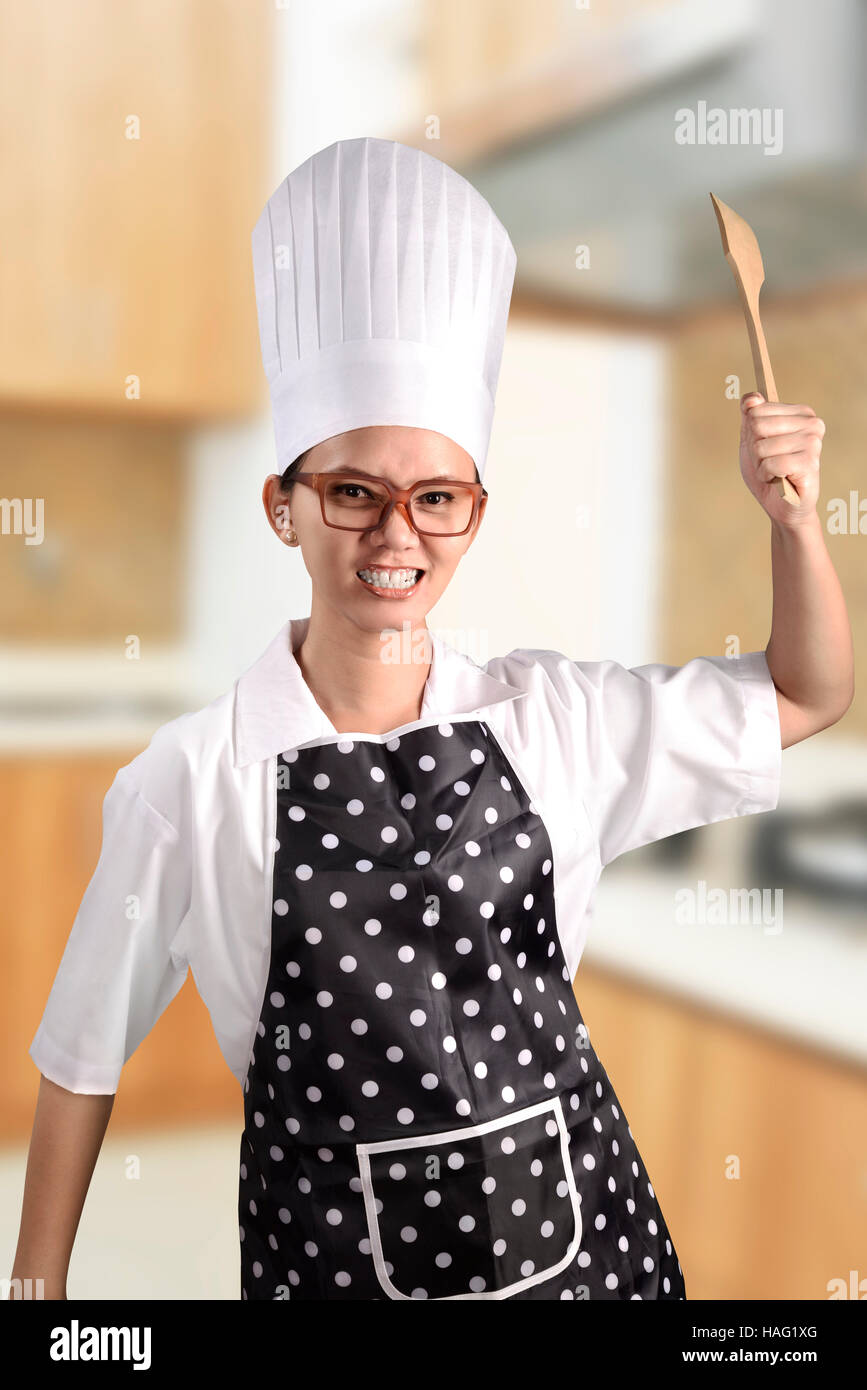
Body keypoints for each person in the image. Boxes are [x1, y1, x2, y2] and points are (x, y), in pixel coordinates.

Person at [12, 137, 853, 1301]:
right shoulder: (192, 778)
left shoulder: (550, 716)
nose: (397, 535)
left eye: (436, 498)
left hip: (591, 1261)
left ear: (472, 512)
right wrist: (35, 1291)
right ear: (285, 506)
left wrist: (795, 521)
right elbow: (81, 1054)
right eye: (354, 491)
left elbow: (805, 694)